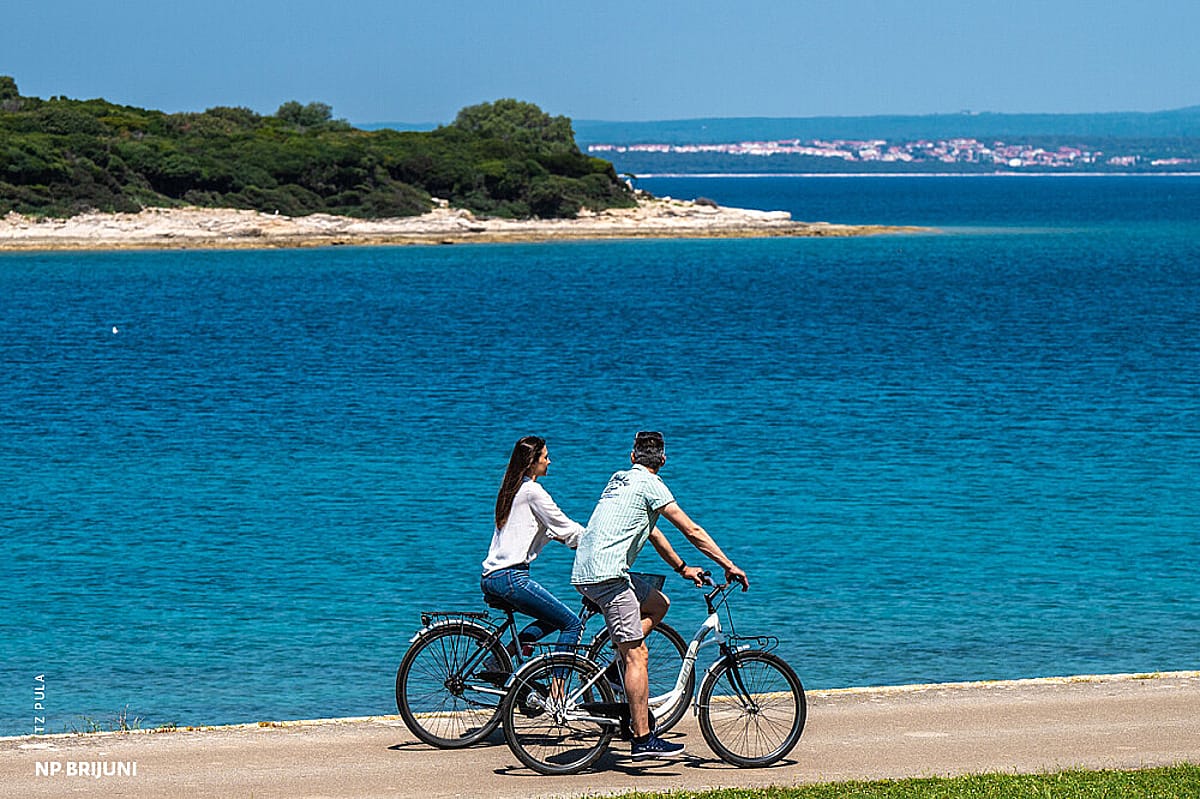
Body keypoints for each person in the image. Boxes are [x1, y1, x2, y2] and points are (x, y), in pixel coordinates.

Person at [572, 431, 749, 760]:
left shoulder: (620, 480)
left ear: (632, 457)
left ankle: (617, 666)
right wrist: (729, 565)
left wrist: (683, 568)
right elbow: (691, 530)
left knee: (658, 604)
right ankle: (642, 739)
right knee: (638, 655)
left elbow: (652, 531)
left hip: (588, 570)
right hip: (608, 577)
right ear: (663, 460)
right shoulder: (652, 484)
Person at [480, 436, 585, 674]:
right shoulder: (532, 491)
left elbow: (549, 531)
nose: (550, 461)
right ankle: (559, 690)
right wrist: (597, 541)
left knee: (552, 617)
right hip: (511, 577)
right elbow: (565, 526)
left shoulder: (512, 490)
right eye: (545, 457)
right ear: (532, 462)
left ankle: (501, 659)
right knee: (572, 624)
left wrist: (571, 541)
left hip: (493, 577)